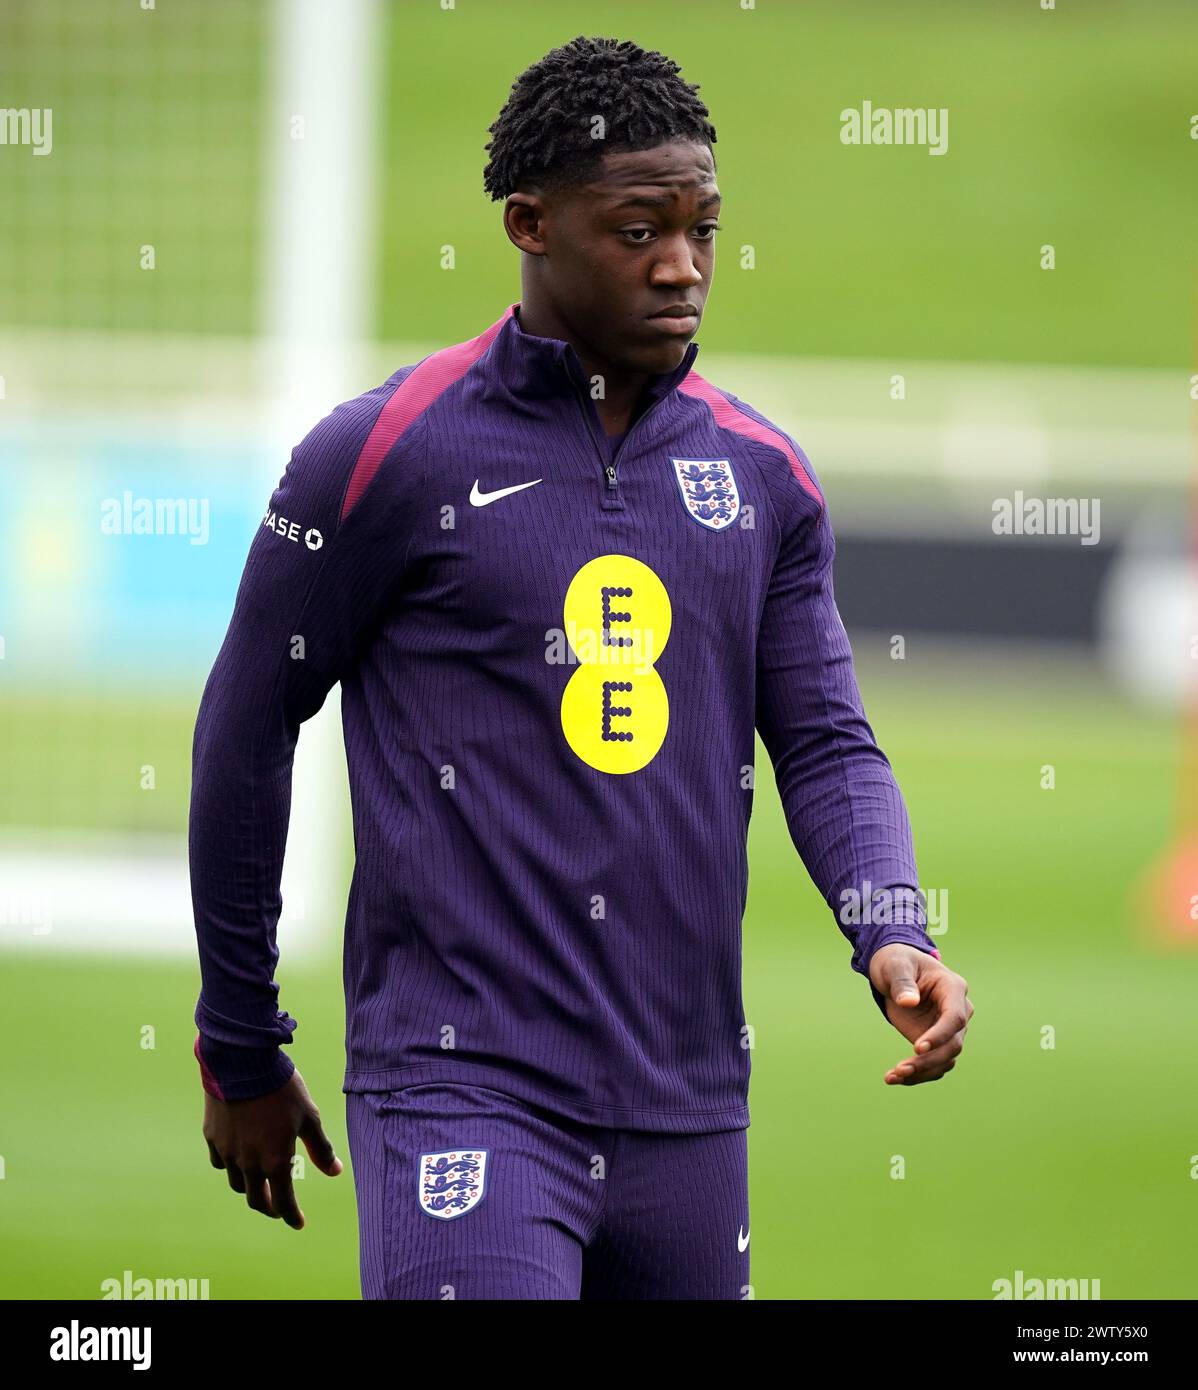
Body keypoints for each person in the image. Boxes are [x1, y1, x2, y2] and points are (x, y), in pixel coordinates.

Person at [192, 34, 972, 1300]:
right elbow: (244, 726)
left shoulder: (761, 476)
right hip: (460, 1083)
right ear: (529, 224)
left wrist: (889, 927)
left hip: (687, 1103)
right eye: (637, 230)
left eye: (703, 230)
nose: (682, 268)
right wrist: (239, 1038)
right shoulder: (385, 453)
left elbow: (825, 738)